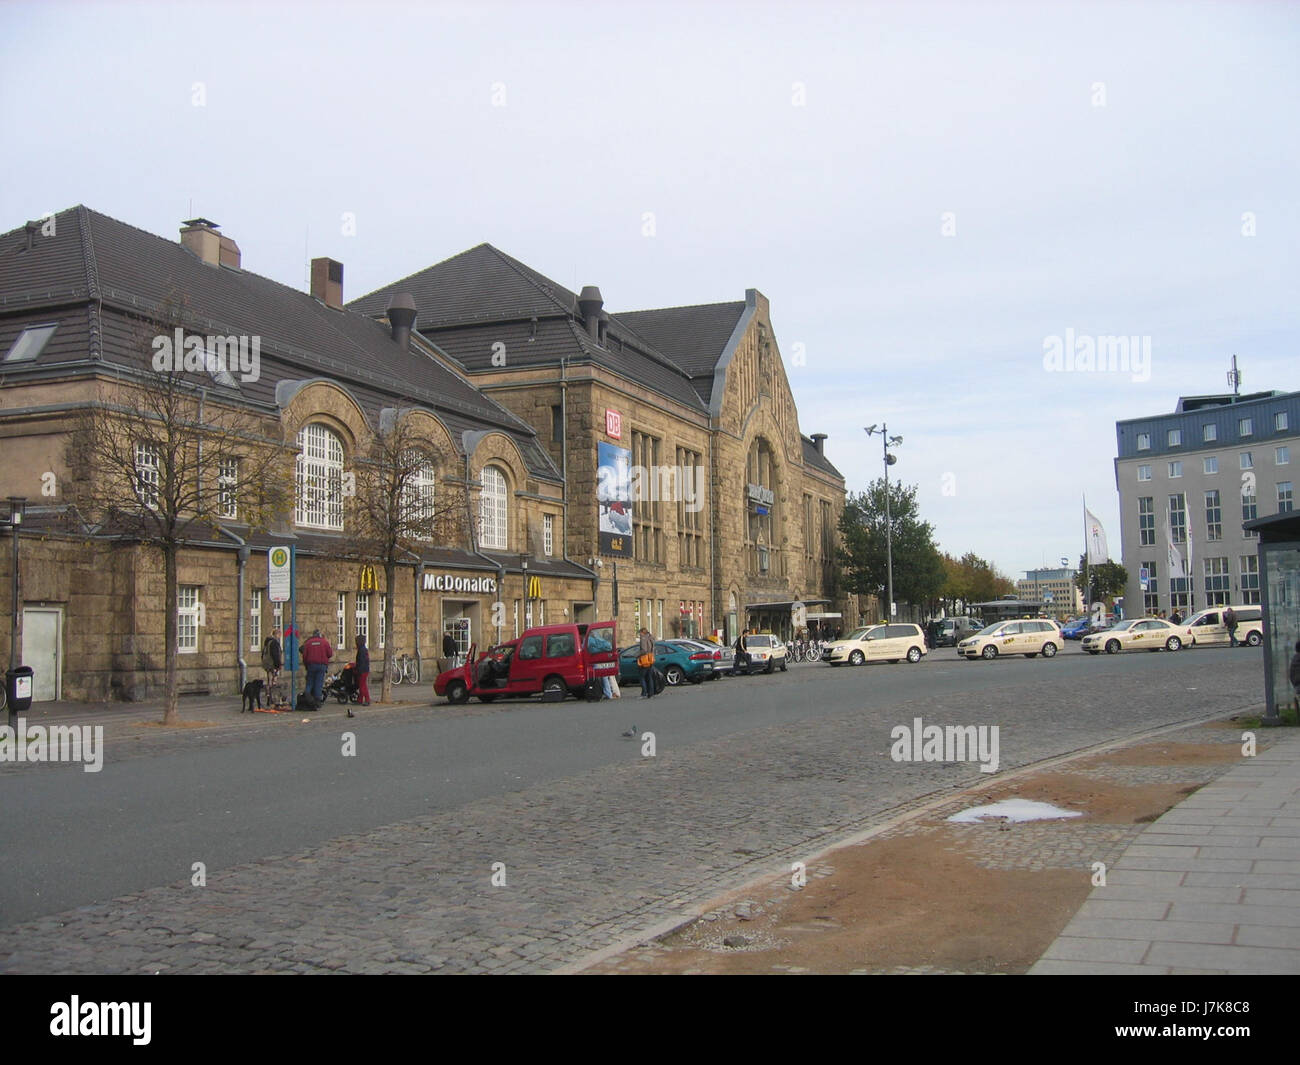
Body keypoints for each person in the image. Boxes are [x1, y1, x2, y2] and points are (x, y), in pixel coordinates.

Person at [301, 628, 333, 704]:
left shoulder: (308, 643)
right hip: (322, 665)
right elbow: (330, 654)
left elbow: (305, 656)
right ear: (319, 635)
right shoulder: (324, 642)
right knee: (319, 683)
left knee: (309, 682)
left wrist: (306, 664)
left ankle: (307, 698)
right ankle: (317, 701)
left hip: (311, 665)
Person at [352, 633, 370, 715]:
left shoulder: (362, 650)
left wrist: (358, 669)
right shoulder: (363, 649)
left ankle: (367, 699)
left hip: (362, 670)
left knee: (362, 686)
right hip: (364, 670)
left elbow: (361, 662)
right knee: (361, 685)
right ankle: (360, 699)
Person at [638, 626, 656, 698]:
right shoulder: (650, 637)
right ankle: (651, 693)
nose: (639, 635)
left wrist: (637, 655)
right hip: (650, 659)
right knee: (649, 677)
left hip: (645, 660)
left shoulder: (643, 638)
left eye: (640, 633)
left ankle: (644, 693)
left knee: (642, 677)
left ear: (642, 632)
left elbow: (644, 650)